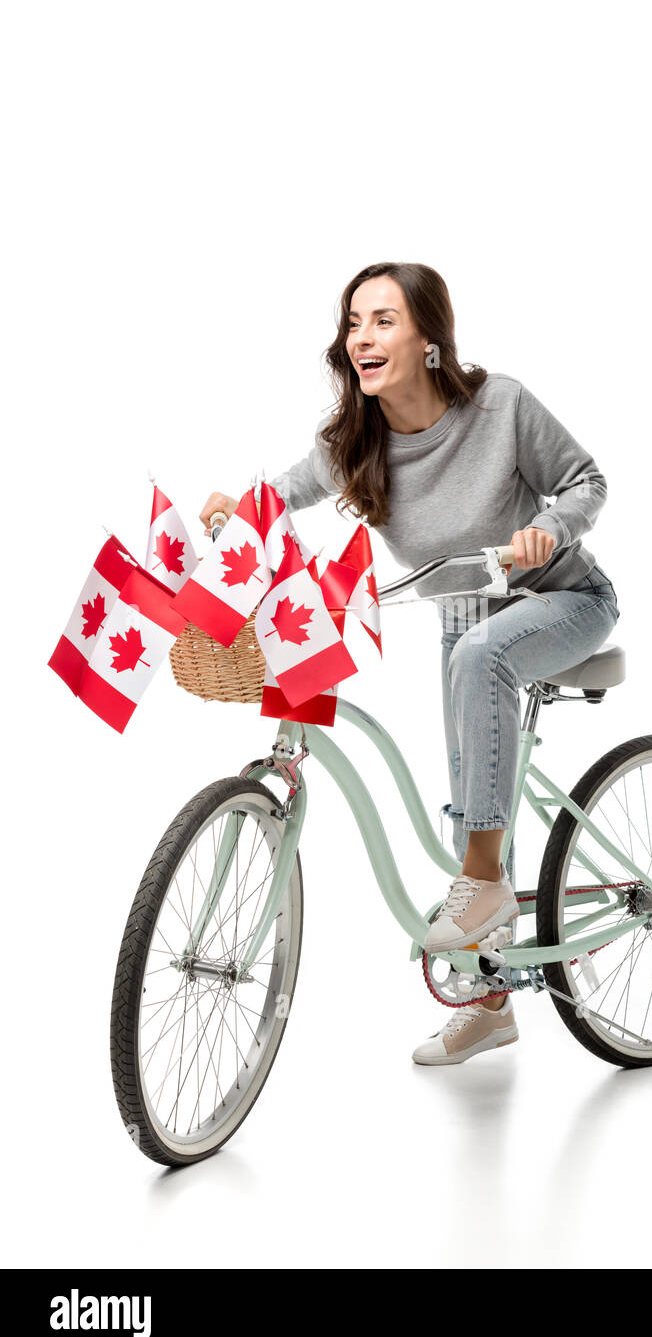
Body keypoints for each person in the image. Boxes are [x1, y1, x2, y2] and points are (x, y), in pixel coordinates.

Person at [200, 261, 620, 1067]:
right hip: (465, 623)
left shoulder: (499, 407)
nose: (363, 337)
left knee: (479, 671)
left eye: (384, 320)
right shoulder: (355, 444)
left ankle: (486, 886)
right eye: (354, 322)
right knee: (468, 794)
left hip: (566, 599)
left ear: (429, 340)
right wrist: (234, 506)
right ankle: (489, 1003)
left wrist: (550, 530)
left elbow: (586, 480)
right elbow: (280, 494)